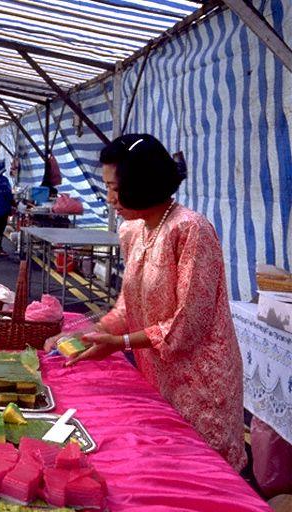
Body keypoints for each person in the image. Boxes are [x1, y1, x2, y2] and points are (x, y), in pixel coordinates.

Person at [46, 134, 246, 472]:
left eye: (114, 188)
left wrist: (119, 343)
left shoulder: (191, 230)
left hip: (201, 382)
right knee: (163, 469)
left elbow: (187, 325)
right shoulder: (133, 231)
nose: (109, 198)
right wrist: (86, 337)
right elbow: (128, 305)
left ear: (141, 184)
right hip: (157, 372)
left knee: (201, 476)